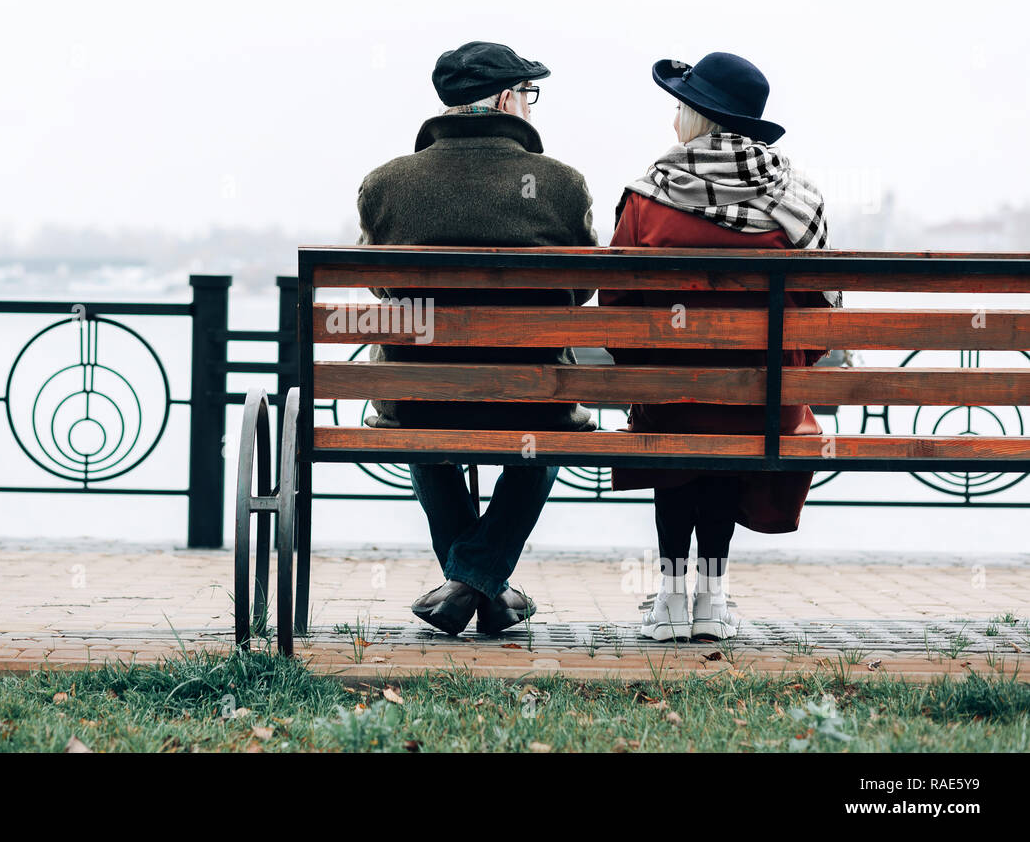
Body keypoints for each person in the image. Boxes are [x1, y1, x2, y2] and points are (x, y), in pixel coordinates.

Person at [355, 41, 598, 636]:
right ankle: (479, 581)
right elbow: (585, 289)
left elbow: (381, 290)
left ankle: (464, 584)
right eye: (530, 95)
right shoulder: (560, 185)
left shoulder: (387, 184)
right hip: (532, 393)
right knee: (549, 429)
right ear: (510, 99)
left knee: (420, 424)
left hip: (418, 395)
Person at [600, 51, 836, 641]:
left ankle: (671, 603)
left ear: (696, 118)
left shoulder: (648, 195)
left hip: (667, 396)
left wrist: (646, 369)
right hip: (763, 402)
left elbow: (615, 306)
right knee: (734, 422)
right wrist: (787, 370)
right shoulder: (796, 198)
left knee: (680, 428)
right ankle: (712, 598)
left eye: (679, 108)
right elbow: (818, 314)